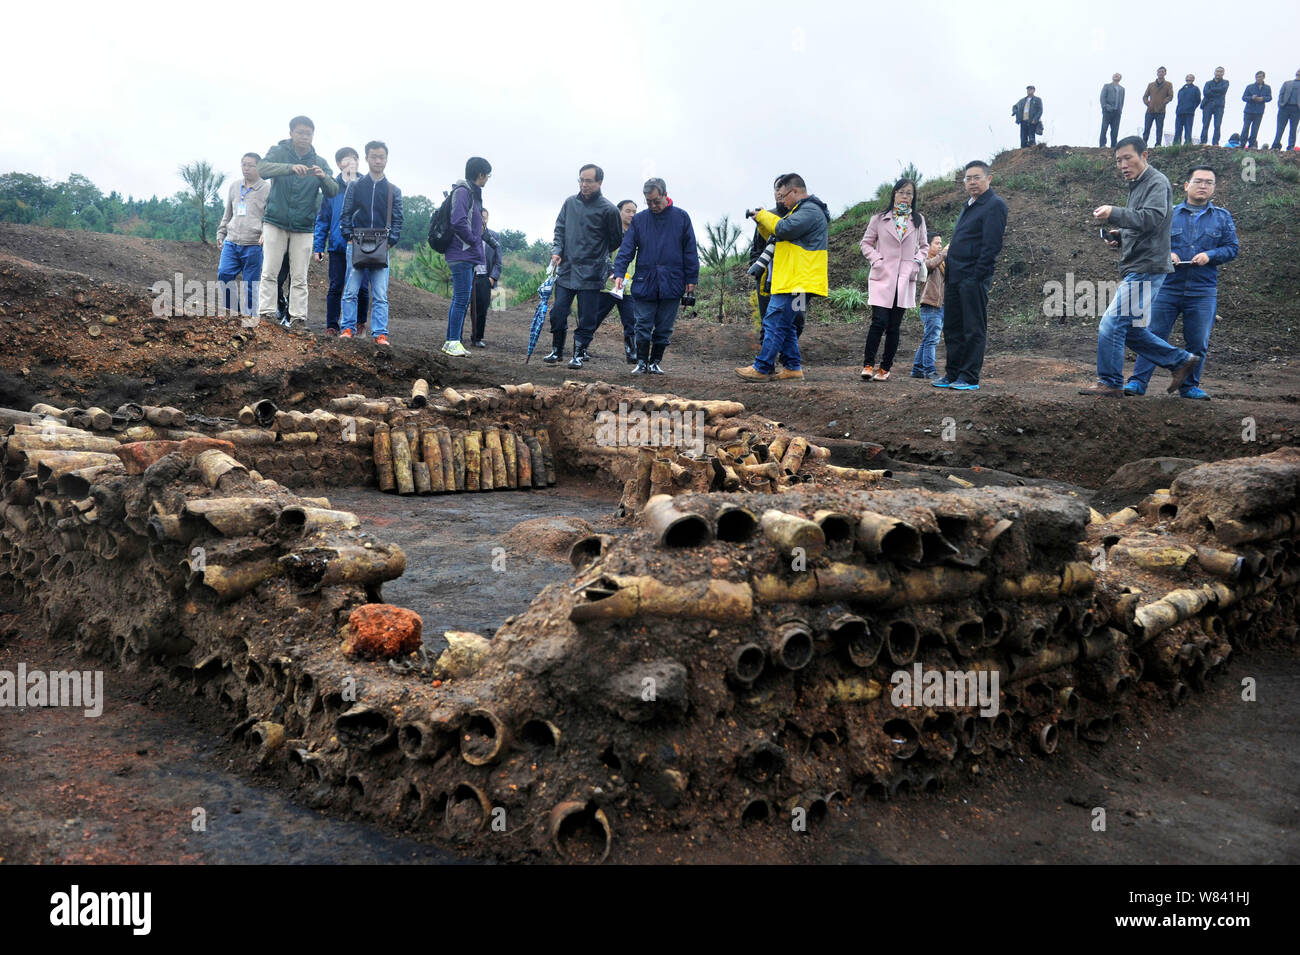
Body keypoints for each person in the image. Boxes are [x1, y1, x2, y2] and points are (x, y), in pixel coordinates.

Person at [1080, 137, 1201, 397]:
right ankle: (1180, 361)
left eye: (1128, 158)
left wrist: (1114, 212)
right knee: (1131, 330)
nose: (1123, 165)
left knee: (1111, 324)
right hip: (1142, 263)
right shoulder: (1138, 185)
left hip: (1148, 265)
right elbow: (1144, 223)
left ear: (1144, 155)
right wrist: (1121, 234)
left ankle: (1111, 382)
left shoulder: (1156, 182)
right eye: (1118, 161)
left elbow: (1153, 219)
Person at [1125, 165, 1238, 400]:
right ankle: (1137, 383)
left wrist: (1211, 255)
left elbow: (1232, 248)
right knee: (1153, 334)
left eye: (1209, 182)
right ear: (1187, 185)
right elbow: (1150, 241)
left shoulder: (1222, 218)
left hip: (1203, 289)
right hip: (1167, 285)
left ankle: (1188, 387)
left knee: (1197, 340)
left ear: (1214, 188)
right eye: (1198, 181)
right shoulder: (1169, 214)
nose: (1203, 186)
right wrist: (1168, 255)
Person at [736, 173, 830, 383]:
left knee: (774, 320)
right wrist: (761, 222)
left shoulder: (810, 211)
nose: (781, 201)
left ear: (795, 191)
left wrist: (762, 215)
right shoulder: (803, 211)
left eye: (783, 195)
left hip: (797, 280)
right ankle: (792, 366)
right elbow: (774, 235)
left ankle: (762, 367)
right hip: (797, 279)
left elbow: (783, 229)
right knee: (785, 324)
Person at [256, 116, 338, 326]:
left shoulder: (319, 162)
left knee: (299, 275)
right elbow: (262, 169)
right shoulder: (278, 151)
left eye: (308, 133)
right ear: (291, 132)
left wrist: (323, 177)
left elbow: (333, 191)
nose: (304, 137)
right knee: (270, 271)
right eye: (300, 132)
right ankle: (265, 314)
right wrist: (290, 167)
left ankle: (298, 318)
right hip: (275, 221)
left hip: (304, 226)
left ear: (313, 135)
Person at [933, 161, 1007, 391]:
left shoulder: (994, 205)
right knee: (953, 327)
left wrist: (977, 275)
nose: (972, 182)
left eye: (976, 177)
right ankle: (952, 373)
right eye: (968, 178)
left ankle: (969, 376)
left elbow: (991, 245)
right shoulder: (969, 205)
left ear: (989, 178)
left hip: (973, 277)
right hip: (955, 276)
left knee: (973, 327)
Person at [612, 178, 698, 375]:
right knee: (642, 323)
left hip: (673, 281)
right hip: (645, 281)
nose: (652, 206)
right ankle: (642, 362)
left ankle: (655, 362)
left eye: (656, 201)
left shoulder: (681, 217)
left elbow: (690, 251)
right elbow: (627, 249)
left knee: (664, 327)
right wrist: (619, 272)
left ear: (665, 195)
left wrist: (691, 280)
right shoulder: (640, 220)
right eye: (648, 202)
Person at [544, 164, 623, 368]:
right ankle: (556, 350)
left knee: (587, 317)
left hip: (592, 271)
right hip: (567, 268)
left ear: (599, 182)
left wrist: (597, 253)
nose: (584, 184)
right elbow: (559, 229)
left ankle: (579, 353)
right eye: (581, 180)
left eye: (588, 180)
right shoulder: (570, 203)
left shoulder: (609, 210)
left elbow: (615, 240)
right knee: (558, 312)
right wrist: (557, 250)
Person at [858, 178, 927, 382]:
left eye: (909, 193)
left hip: (905, 277)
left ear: (913, 197)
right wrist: (877, 260)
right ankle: (868, 365)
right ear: (894, 194)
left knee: (894, 326)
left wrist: (916, 262)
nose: (905, 196)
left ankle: (885, 368)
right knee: (878, 322)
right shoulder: (879, 219)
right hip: (882, 276)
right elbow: (866, 244)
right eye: (901, 192)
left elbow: (924, 246)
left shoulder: (918, 220)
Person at [339, 141, 401, 346]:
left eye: (381, 157)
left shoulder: (393, 190)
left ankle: (380, 333)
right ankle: (347, 328)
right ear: (366, 158)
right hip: (356, 242)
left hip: (382, 245)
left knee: (381, 294)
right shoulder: (355, 185)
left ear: (387, 159)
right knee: (351, 290)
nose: (377, 161)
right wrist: (348, 236)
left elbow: (398, 218)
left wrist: (391, 241)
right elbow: (345, 213)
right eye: (373, 156)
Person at [314, 147, 370, 337]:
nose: (351, 163)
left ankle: (360, 323)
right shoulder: (332, 188)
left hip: (363, 245)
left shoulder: (366, 185)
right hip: (338, 245)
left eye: (355, 159)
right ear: (339, 164)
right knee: (336, 286)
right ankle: (332, 325)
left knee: (362, 288)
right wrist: (318, 246)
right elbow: (323, 219)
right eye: (347, 160)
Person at [443, 157, 491, 357]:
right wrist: (473, 240)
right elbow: (458, 221)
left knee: (459, 299)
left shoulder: (469, 192)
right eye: (487, 175)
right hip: (461, 253)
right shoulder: (464, 192)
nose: (488, 178)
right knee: (461, 299)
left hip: (464, 253)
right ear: (480, 174)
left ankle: (450, 341)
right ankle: (454, 340)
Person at [749, 177, 808, 341]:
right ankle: (766, 363)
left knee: (798, 320)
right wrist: (758, 270)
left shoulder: (803, 216)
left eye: (782, 189)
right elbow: (756, 248)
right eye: (776, 189)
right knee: (768, 321)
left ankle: (788, 358)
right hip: (769, 281)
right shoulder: (765, 217)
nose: (779, 193)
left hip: (798, 280)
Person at [215, 152, 269, 318]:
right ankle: (233, 312)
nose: (246, 168)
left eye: (250, 165)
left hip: (253, 243)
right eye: (243, 164)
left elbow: (270, 216)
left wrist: (265, 233)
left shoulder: (267, 188)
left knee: (250, 285)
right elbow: (228, 212)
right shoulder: (234, 186)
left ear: (258, 167)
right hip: (232, 241)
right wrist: (221, 232)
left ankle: (251, 318)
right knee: (224, 274)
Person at [594, 199, 639, 363]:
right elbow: (603, 256)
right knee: (595, 317)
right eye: (628, 211)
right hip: (609, 285)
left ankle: (632, 353)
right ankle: (581, 348)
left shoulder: (637, 234)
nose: (631, 214)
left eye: (634, 211)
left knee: (631, 320)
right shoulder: (611, 233)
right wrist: (610, 274)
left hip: (629, 287)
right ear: (619, 212)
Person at [911, 234, 947, 380]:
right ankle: (929, 370)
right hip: (930, 304)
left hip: (939, 305)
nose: (939, 246)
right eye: (937, 243)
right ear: (928, 245)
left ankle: (917, 369)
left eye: (941, 244)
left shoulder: (941, 263)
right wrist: (944, 253)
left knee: (928, 338)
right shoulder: (923, 259)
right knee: (932, 339)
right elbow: (930, 265)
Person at [470, 209, 501, 347]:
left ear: (488, 219)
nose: (482, 220)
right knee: (465, 307)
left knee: (482, 309)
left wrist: (492, 278)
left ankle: (477, 338)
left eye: (485, 218)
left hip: (485, 278)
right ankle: (456, 337)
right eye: (480, 217)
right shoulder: (468, 234)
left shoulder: (494, 236)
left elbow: (498, 261)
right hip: (470, 276)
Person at [1240, 71, 1272, 149]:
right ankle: (1242, 144)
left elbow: (1269, 98)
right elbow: (1244, 97)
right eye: (1257, 77)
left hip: (1259, 111)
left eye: (1260, 77)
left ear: (1263, 77)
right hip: (1249, 111)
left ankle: (1252, 144)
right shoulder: (1250, 87)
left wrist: (1263, 98)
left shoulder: (1267, 87)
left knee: (1255, 128)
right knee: (1246, 127)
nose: (1258, 78)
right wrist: (1251, 98)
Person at [1143, 67, 1173, 146]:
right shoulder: (1151, 85)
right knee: (1146, 128)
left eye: (1162, 72)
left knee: (1159, 129)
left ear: (1165, 73)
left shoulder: (1168, 84)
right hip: (1150, 110)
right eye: (1159, 72)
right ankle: (1143, 144)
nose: (1161, 73)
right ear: (1157, 73)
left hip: (1161, 111)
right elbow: (1145, 96)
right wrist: (1148, 104)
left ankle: (1158, 144)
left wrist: (1163, 103)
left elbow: (1170, 96)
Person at [1270, 69, 1300, 150]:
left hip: (1296, 110)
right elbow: (1281, 95)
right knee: (1280, 128)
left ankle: (1291, 146)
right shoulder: (1287, 83)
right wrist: (1281, 105)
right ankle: (1276, 145)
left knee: (1293, 129)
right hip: (1285, 108)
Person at [1199, 67, 1230, 145]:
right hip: (1208, 105)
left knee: (1217, 125)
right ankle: (1203, 141)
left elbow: (1223, 90)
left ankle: (1215, 142)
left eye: (1220, 72)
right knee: (1205, 124)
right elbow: (1206, 93)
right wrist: (1217, 91)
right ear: (1214, 72)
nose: (1218, 73)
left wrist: (1212, 90)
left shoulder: (1226, 82)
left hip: (1219, 106)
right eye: (1217, 71)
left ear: (1223, 73)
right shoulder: (1208, 83)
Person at [1173, 74, 1201, 144]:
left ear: (1193, 79)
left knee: (1188, 129)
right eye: (1188, 77)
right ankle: (1176, 144)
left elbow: (1198, 100)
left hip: (1189, 112)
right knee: (1178, 129)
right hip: (1180, 112)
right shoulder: (1181, 89)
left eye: (1191, 77)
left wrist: (1192, 107)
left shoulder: (1195, 89)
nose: (1189, 78)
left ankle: (1188, 143)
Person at [1100, 73, 1125, 149]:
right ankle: (1102, 144)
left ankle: (1114, 146)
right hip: (1108, 110)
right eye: (1115, 75)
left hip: (1117, 112)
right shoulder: (1107, 86)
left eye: (1118, 75)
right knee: (1104, 128)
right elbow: (1102, 97)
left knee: (1115, 130)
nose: (1116, 76)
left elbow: (1122, 100)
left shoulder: (1122, 89)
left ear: (1120, 78)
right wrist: (1104, 107)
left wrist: (1120, 110)